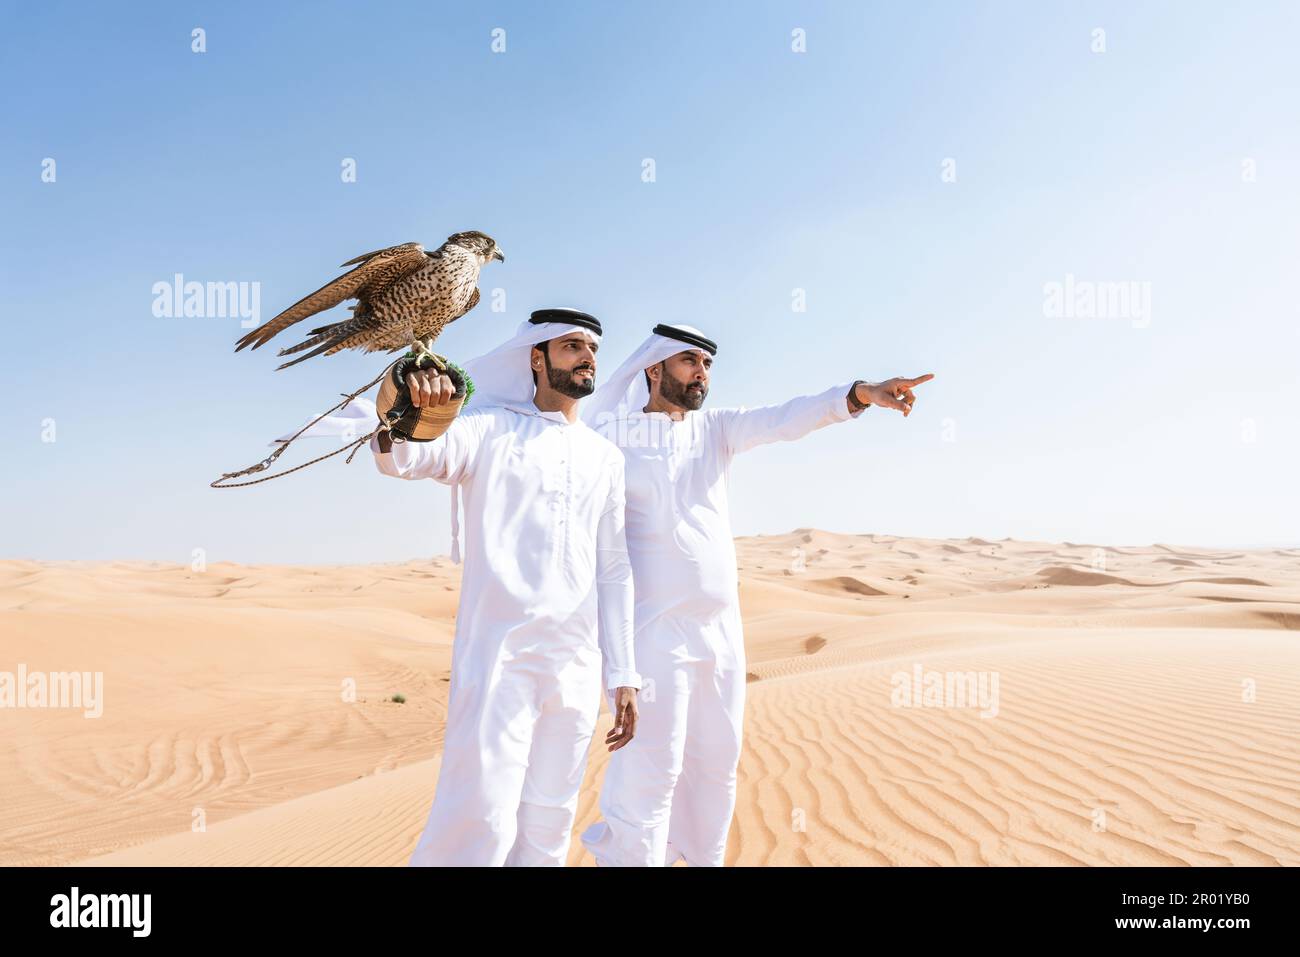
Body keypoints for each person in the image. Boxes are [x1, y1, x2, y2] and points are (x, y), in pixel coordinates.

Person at [579, 323, 933, 866]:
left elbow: (784, 419)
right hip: (654, 633)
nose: (702, 373)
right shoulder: (611, 440)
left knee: (716, 769)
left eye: (708, 365)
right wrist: (617, 663)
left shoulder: (716, 430)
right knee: (652, 772)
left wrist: (859, 395)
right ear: (654, 369)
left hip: (720, 633)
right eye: (689, 362)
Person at [370, 308, 642, 866]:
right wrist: (402, 405)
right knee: (480, 818)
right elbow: (407, 458)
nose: (588, 357)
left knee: (549, 822)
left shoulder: (606, 458)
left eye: (592, 347)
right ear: (536, 358)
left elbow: (614, 569)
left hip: (575, 664)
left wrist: (623, 673)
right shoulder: (487, 427)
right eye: (571, 346)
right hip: (500, 658)